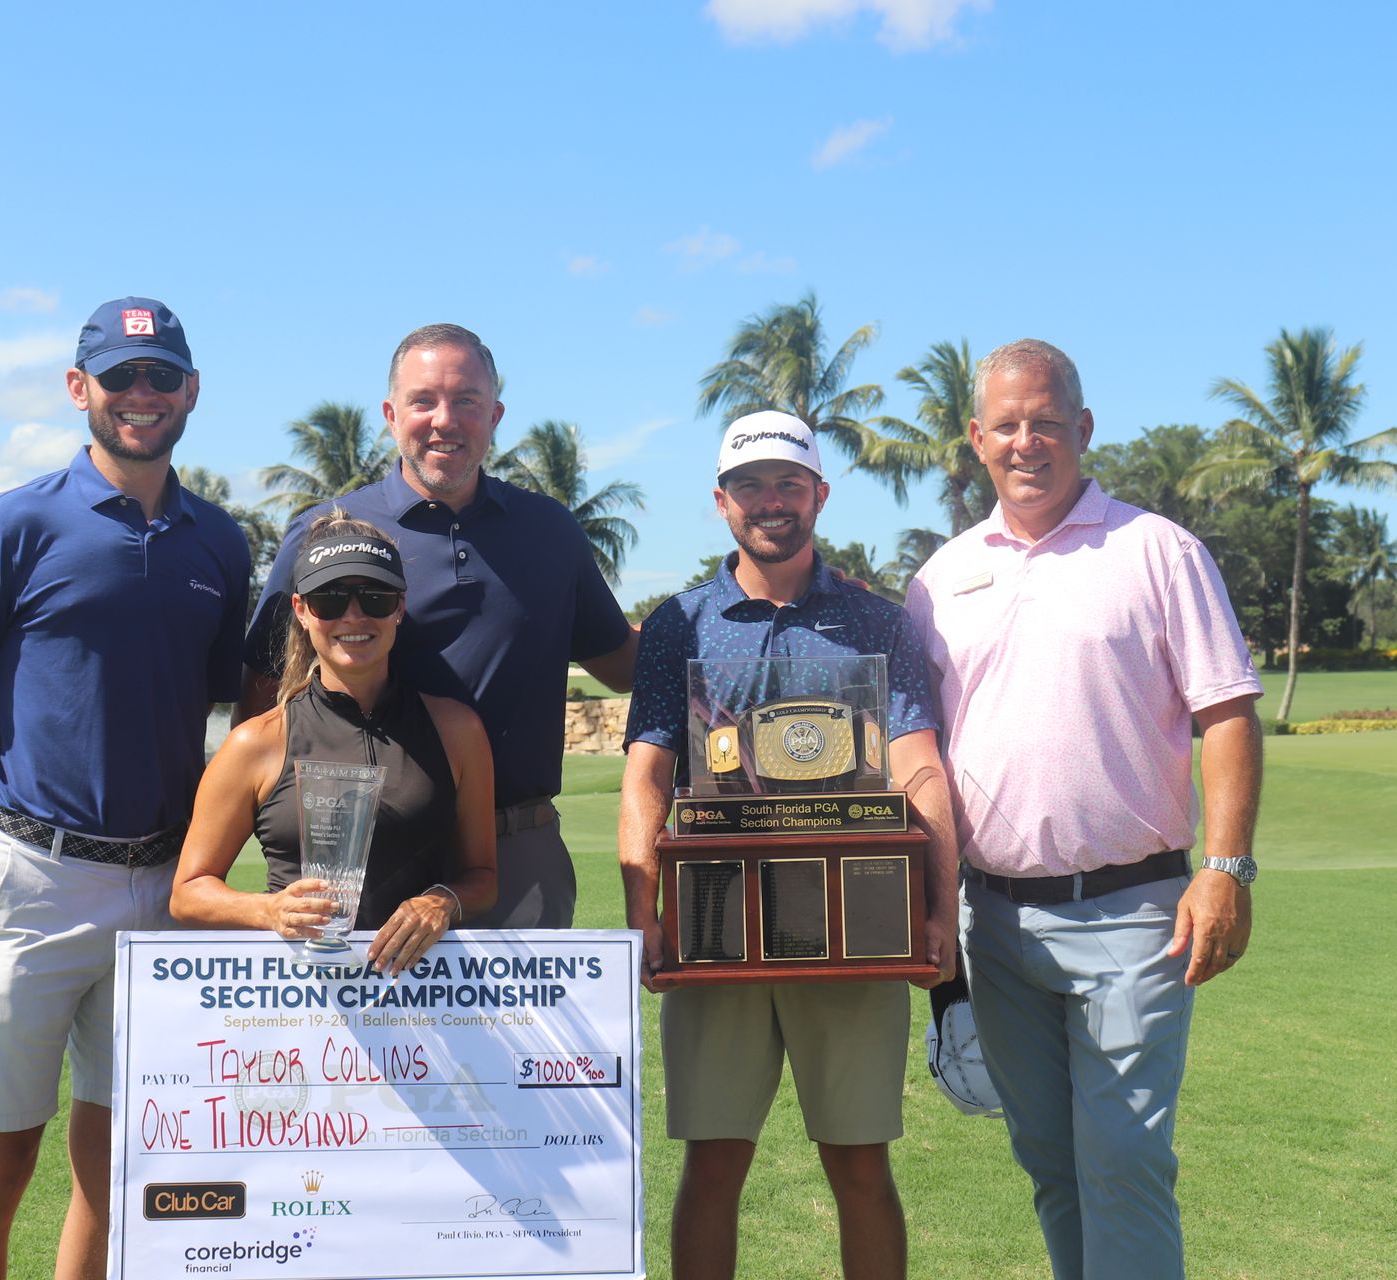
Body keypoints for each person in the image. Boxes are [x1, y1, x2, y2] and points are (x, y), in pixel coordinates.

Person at [0, 297, 249, 1279]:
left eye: (160, 375)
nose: (140, 395)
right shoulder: (14, 523)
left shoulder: (218, 543)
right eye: (119, 376)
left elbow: (243, 713)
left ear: (190, 390)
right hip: (32, 882)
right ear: (78, 388)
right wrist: (0, 831)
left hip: (160, 889)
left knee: (116, 1158)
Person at [904, 339, 1264, 1280]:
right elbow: (918, 758)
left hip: (1133, 910)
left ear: (1084, 429)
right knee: (1053, 1167)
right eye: (1008, 426)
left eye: (1048, 423)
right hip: (994, 919)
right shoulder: (938, 581)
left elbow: (1226, 714)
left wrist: (1225, 871)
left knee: (1126, 1162)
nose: (1028, 443)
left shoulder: (1156, 550)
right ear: (976, 439)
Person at [618, 411, 960, 1280]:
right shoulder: (678, 623)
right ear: (721, 502)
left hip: (857, 923)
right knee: (714, 1160)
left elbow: (920, 769)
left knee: (858, 1162)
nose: (771, 503)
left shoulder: (877, 623)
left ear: (820, 495)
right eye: (750, 487)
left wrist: (938, 916)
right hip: (716, 924)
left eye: (789, 485)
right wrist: (641, 918)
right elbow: (647, 776)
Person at [235, 323, 636, 929]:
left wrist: (726, 612)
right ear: (392, 414)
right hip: (360, 858)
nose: (444, 420)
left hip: (515, 851)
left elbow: (622, 663)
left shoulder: (548, 530)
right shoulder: (327, 530)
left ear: (495, 415)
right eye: (424, 401)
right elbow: (266, 692)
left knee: (519, 1027)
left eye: (467, 401)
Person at [171, 512, 496, 973]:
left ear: (400, 607)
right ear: (302, 610)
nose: (354, 616)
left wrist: (440, 903)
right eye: (330, 599)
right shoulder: (256, 742)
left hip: (421, 992)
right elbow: (188, 891)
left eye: (376, 598)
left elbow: (482, 877)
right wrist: (268, 911)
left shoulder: (456, 730)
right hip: (300, 995)